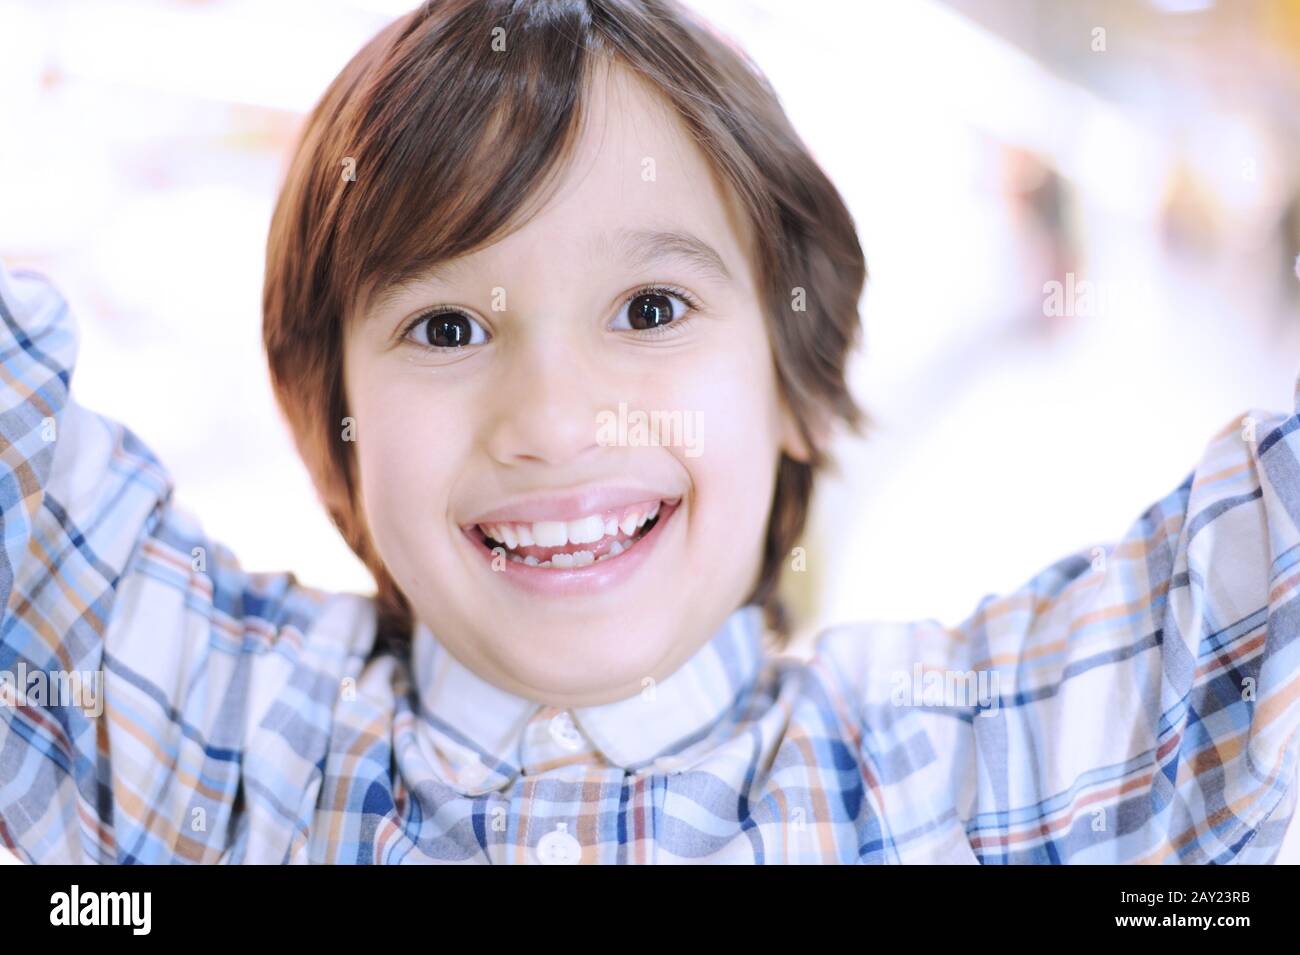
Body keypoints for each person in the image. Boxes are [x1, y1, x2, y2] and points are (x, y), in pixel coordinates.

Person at [2, 0, 1298, 864]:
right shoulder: (212, 731)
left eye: (651, 306)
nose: (558, 423)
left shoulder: (952, 766)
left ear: (793, 381)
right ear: (330, 424)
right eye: (448, 327)